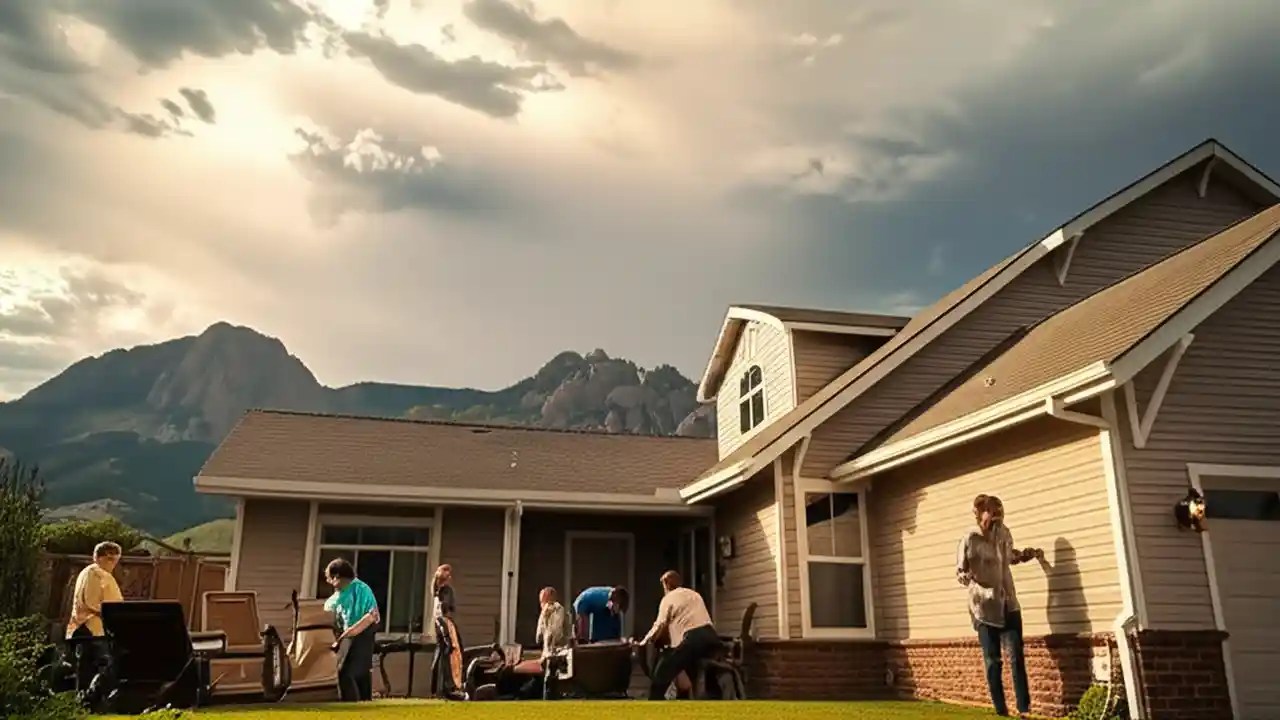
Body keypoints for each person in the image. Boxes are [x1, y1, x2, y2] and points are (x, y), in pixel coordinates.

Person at [956, 494, 1043, 718]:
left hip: (1008, 602)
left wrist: (1026, 555)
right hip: (983, 606)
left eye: (1001, 512)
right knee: (993, 660)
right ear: (980, 514)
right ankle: (1001, 711)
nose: (998, 517)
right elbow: (960, 571)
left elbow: (1009, 557)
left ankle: (1024, 709)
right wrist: (965, 576)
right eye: (993, 512)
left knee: (1016, 655)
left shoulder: (1004, 533)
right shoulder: (970, 539)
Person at [635, 571, 719, 700]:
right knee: (698, 672)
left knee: (662, 672)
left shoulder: (669, 598)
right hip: (711, 636)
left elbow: (660, 624)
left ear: (666, 584)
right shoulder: (694, 594)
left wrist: (644, 642)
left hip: (692, 637)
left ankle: (653, 702)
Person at [66, 541, 124, 705]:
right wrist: (113, 615)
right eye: (112, 559)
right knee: (103, 666)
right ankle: (91, 700)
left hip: (87, 628)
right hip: (92, 628)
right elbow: (91, 602)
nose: (113, 564)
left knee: (87, 669)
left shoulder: (90, 572)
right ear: (102, 557)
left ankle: (86, 702)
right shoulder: (96, 573)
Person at [322, 557, 380, 702]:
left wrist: (346, 635)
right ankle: (365, 706)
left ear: (337, 577)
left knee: (347, 674)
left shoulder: (361, 589)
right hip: (345, 637)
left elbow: (371, 617)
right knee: (360, 675)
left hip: (362, 633)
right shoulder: (333, 600)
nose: (328, 582)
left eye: (329, 578)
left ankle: (353, 706)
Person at [430, 564, 466, 700]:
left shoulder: (436, 589)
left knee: (440, 652)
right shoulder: (446, 590)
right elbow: (447, 607)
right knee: (452, 651)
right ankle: (450, 686)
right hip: (445, 622)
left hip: (438, 622)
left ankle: (436, 688)